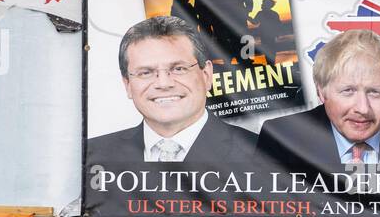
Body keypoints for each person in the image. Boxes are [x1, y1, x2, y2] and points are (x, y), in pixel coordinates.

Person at [256, 28, 380, 175]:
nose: (362, 108)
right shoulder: (281, 138)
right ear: (321, 91)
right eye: (348, 91)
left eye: (375, 92)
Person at [86, 16, 257, 171]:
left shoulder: (261, 154)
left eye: (178, 68)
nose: (164, 83)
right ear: (128, 85)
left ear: (206, 75)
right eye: (145, 72)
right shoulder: (93, 156)